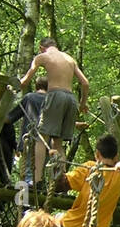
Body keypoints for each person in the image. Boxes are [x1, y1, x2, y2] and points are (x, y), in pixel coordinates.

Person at [19, 37, 90, 186]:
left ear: (41, 47)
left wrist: (11, 86)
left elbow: (25, 81)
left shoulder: (43, 57)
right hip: (71, 99)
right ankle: (60, 182)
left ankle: (36, 179)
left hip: (55, 96)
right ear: (55, 46)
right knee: (57, 142)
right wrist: (83, 104)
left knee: (41, 137)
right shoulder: (70, 59)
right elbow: (85, 83)